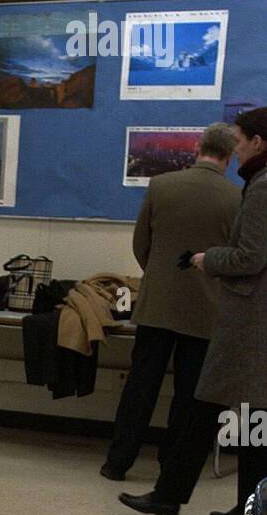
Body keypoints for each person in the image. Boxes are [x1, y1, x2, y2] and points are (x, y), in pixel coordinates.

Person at [120, 108, 267, 515]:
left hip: (247, 317)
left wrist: (208, 258)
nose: (236, 149)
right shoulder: (245, 189)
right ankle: (251, 506)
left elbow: (250, 256)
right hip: (248, 317)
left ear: (258, 141)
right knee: (251, 415)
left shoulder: (259, 188)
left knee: (205, 407)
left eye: (241, 139)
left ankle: (169, 496)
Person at [101, 122, 239, 482]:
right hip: (206, 310)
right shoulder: (235, 198)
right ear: (228, 157)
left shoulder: (161, 185)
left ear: (198, 148)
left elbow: (140, 242)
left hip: (158, 305)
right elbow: (234, 257)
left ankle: (118, 461)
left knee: (140, 386)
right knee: (188, 395)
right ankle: (170, 466)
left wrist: (159, 274)